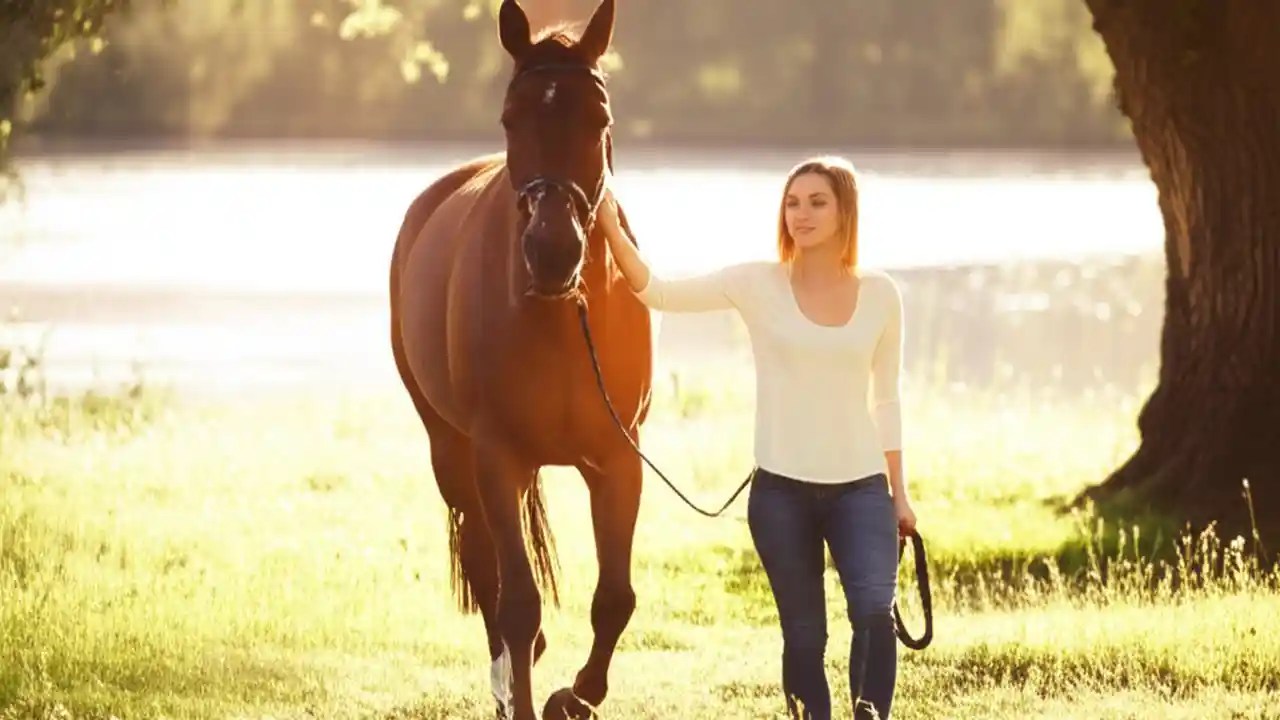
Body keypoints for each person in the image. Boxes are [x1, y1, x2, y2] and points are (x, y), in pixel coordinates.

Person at [596, 155, 917, 720]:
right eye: (793, 203)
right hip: (781, 494)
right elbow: (658, 292)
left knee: (873, 611)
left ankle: (871, 712)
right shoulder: (755, 282)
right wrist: (607, 224)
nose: (802, 214)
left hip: (861, 490)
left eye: (818, 202)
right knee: (803, 636)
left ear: (846, 211)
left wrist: (900, 493)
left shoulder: (882, 294)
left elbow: (885, 399)